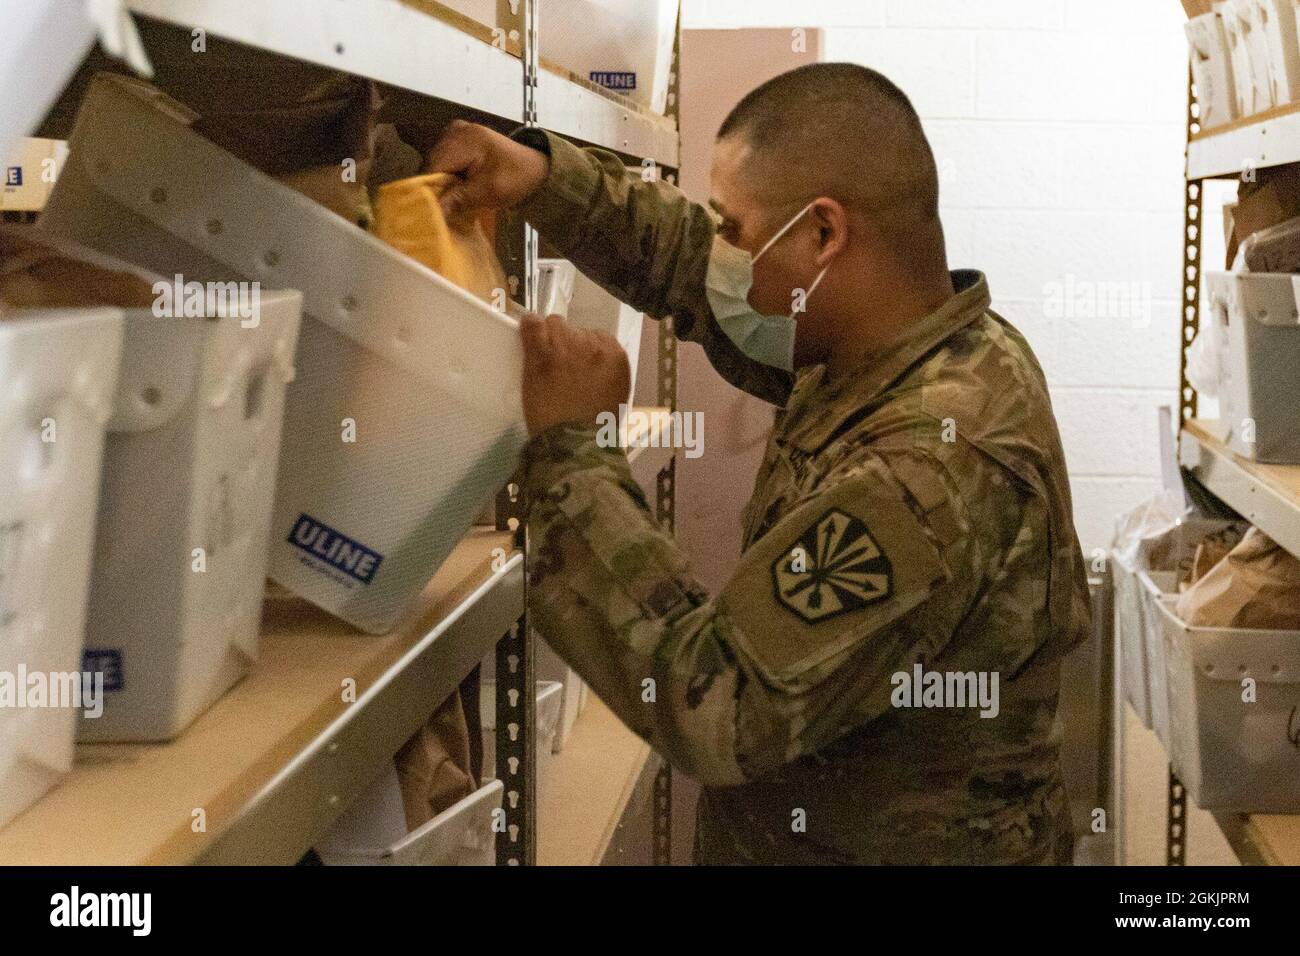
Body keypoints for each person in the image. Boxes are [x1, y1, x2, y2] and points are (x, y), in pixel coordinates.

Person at [430, 62, 1092, 865]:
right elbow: (691, 269)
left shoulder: (925, 471)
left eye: (734, 229)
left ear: (823, 234)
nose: (720, 253)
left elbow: (715, 702)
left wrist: (575, 450)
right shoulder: (907, 345)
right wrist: (540, 179)